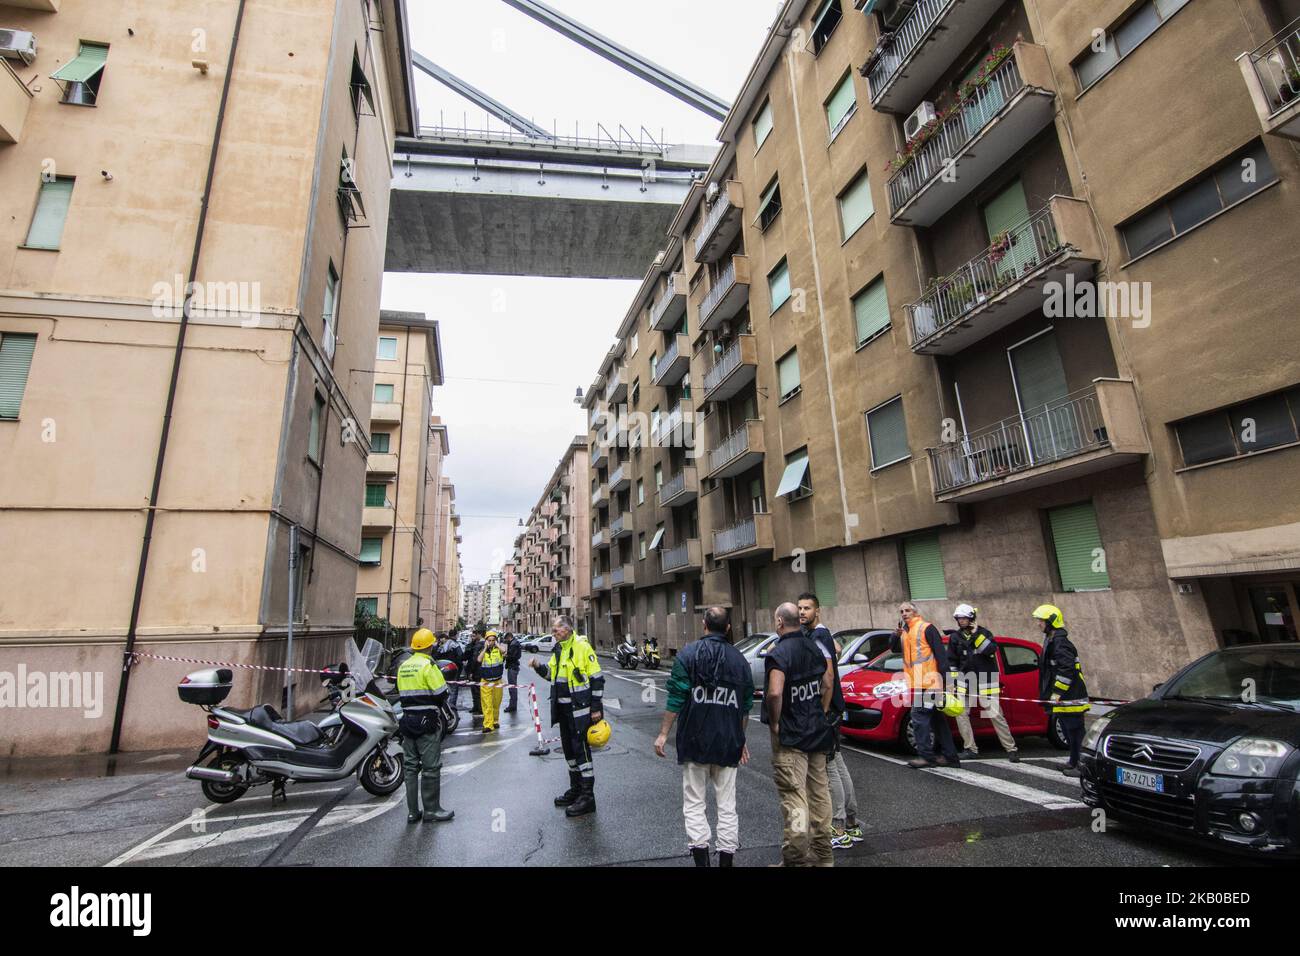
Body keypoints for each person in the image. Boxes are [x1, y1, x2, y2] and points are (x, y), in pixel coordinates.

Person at [654, 606, 754, 867]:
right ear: (728, 628)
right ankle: (726, 862)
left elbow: (676, 697)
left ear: (704, 625)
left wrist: (664, 734)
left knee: (695, 803)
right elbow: (745, 706)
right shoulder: (739, 660)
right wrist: (740, 739)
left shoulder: (688, 655)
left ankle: (701, 861)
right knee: (727, 805)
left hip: (695, 742)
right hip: (727, 743)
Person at [764, 602, 835, 867]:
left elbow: (774, 692)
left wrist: (775, 723)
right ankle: (823, 856)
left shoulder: (779, 653)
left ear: (780, 622)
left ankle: (795, 858)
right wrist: (821, 712)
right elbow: (828, 682)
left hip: (791, 735)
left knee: (794, 797)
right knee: (819, 794)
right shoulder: (813, 646)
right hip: (816, 731)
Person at [797, 593, 862, 850]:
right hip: (834, 708)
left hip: (829, 710)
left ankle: (838, 827)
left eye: (807, 608)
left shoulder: (820, 635)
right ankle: (852, 824)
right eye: (800, 608)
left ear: (818, 611)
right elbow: (835, 650)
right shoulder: (820, 635)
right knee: (839, 764)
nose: (802, 612)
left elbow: (829, 677)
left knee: (829, 768)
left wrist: (823, 712)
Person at [529, 615, 605, 816]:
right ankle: (576, 790)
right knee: (569, 752)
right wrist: (538, 667)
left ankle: (588, 798)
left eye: (556, 629)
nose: (553, 633)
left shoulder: (582, 647)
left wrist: (596, 708)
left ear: (568, 628)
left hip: (580, 711)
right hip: (563, 711)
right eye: (553, 630)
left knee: (581, 752)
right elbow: (551, 675)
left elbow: (597, 679)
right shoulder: (559, 649)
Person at [395, 628, 454, 824]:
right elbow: (441, 693)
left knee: (410, 767)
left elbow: (400, 691)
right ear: (430, 646)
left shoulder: (404, 666)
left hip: (407, 720)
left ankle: (413, 812)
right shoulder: (429, 665)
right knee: (430, 767)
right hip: (427, 722)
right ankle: (432, 810)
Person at [893, 602, 961, 769]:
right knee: (937, 720)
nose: (904, 613)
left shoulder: (926, 628)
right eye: (901, 611)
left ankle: (926, 757)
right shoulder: (905, 633)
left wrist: (947, 682)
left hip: (929, 683)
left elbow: (941, 656)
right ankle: (950, 757)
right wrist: (895, 635)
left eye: (907, 610)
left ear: (915, 612)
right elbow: (894, 649)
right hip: (918, 683)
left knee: (919, 718)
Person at [949, 604, 1019, 762]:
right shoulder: (955, 638)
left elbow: (990, 650)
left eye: (964, 618)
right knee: (960, 714)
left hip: (986, 682)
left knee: (996, 715)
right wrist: (953, 681)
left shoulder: (984, 633)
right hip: (965, 683)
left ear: (972, 619)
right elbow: (952, 661)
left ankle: (1011, 749)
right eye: (959, 619)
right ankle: (970, 748)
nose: (961, 621)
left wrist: (976, 635)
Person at [1033, 604, 1090, 776]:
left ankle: (1083, 766)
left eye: (1041, 621)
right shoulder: (1052, 640)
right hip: (1063, 696)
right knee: (1067, 731)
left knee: (1075, 732)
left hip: (1070, 696)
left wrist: (1057, 693)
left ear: (1050, 621)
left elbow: (1066, 670)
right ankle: (1073, 761)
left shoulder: (1060, 643)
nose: (1038, 624)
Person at [478, 630, 505, 734]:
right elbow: (479, 660)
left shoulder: (498, 650)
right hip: (485, 682)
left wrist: (497, 645)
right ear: (486, 641)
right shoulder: (482, 650)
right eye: (489, 640)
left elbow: (504, 652)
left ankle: (495, 721)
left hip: (497, 681)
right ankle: (488, 725)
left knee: (496, 703)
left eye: (493, 640)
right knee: (487, 704)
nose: (491, 642)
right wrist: (485, 648)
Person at [465, 625, 485, 725]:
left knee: (477, 690)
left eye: (474, 635)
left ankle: (479, 708)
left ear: (479, 635)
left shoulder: (479, 645)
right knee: (475, 689)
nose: (473, 637)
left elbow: (475, 660)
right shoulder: (480, 644)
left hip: (477, 671)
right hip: (479, 670)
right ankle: (476, 707)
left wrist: (471, 672)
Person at [503, 631, 523, 713]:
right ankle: (512, 705)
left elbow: (512, 656)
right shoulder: (515, 643)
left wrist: (505, 655)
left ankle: (512, 706)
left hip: (512, 667)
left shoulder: (513, 644)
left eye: (506, 639)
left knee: (512, 687)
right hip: (513, 667)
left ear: (509, 637)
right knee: (512, 687)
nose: (506, 641)